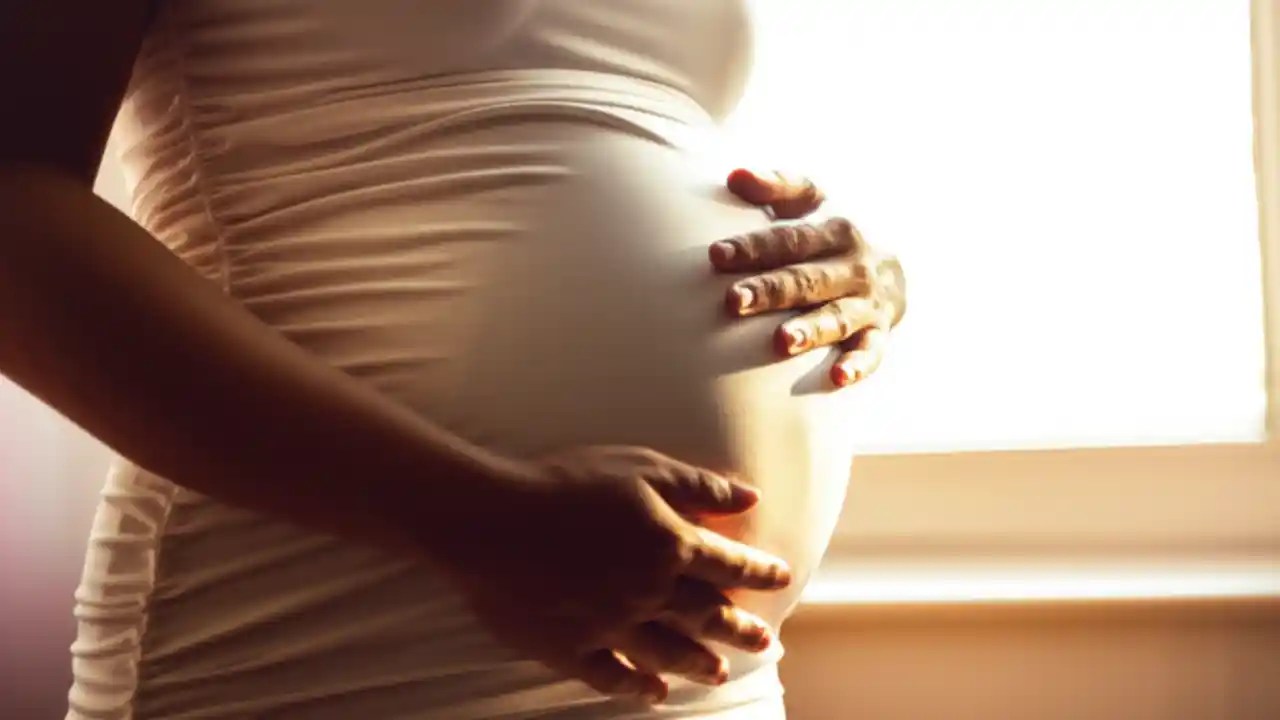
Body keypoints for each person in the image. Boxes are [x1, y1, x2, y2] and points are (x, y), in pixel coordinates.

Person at [0, 1, 906, 718]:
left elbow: (575, 128)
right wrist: (481, 523)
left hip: (694, 664)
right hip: (322, 638)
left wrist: (859, 276)